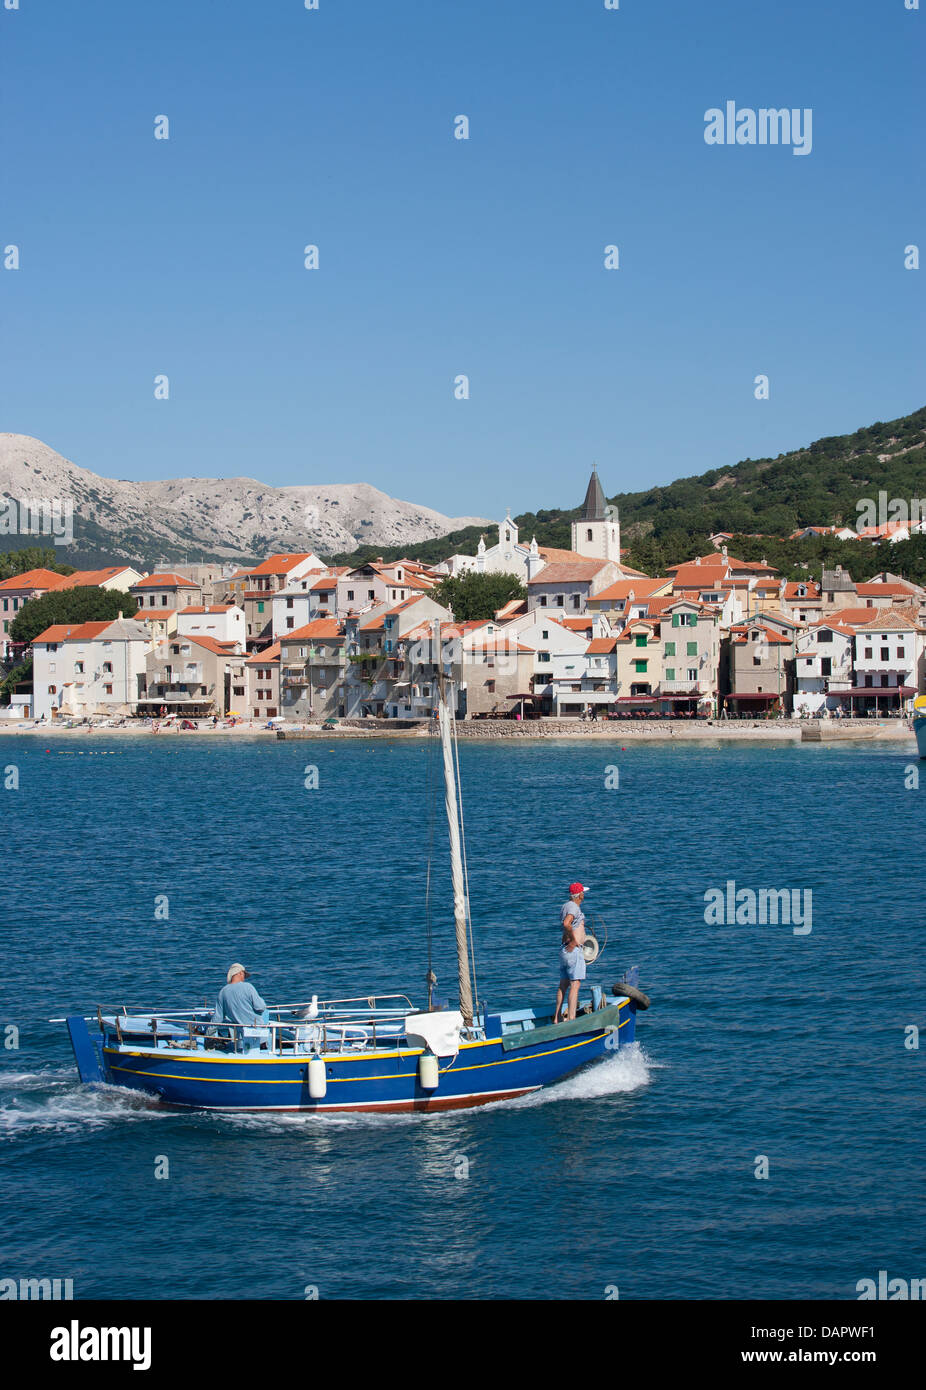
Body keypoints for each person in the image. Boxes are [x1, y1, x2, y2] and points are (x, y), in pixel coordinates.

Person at [553, 882, 589, 1023]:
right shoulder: (573, 907)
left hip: (564, 949)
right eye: (583, 893)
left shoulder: (566, 906)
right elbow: (567, 923)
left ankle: (557, 1017)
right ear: (579, 894)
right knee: (575, 984)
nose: (584, 895)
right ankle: (572, 1018)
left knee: (563, 984)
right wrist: (574, 941)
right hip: (573, 950)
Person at [212, 963, 268, 1029]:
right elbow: (260, 1007)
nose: (244, 978)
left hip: (238, 1033)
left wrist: (209, 1034)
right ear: (240, 973)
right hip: (255, 1030)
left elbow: (218, 1017)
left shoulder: (223, 992)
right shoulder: (248, 987)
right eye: (244, 975)